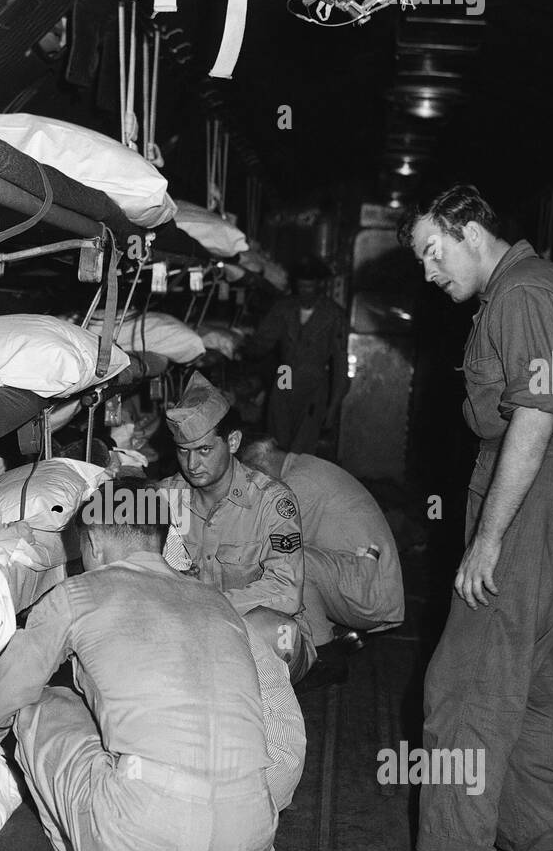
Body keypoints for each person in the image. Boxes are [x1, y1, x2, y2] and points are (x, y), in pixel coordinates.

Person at [369, 184, 553, 851]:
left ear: (469, 227)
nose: (430, 274)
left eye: (432, 253)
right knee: (530, 690)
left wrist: (492, 539)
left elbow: (534, 416)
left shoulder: (522, 295)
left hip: (528, 505)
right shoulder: (547, 288)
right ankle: (545, 848)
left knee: (463, 689)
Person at [0, 478, 280, 851]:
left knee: (41, 703)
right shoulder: (218, 604)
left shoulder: (76, 595)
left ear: (91, 544)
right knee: (172, 743)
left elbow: (1, 699)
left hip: (137, 836)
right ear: (160, 539)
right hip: (248, 848)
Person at [158, 371, 317, 682]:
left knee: (277, 632)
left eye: (204, 450)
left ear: (232, 441)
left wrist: (206, 609)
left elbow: (286, 592)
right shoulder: (165, 498)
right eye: (183, 451)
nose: (192, 465)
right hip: (191, 634)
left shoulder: (272, 503)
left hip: (268, 638)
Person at [238, 433, 405, 646]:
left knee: (286, 560)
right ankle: (325, 635)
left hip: (370, 593)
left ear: (260, 467)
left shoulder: (301, 482)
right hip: (366, 581)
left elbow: (267, 545)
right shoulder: (307, 468)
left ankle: (322, 650)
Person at [247, 257, 350, 456]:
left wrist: (333, 407)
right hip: (286, 373)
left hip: (314, 381)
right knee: (278, 433)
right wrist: (245, 347)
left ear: (319, 286)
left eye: (310, 287)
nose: (305, 292)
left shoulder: (334, 315)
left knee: (303, 443)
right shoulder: (284, 308)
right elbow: (263, 340)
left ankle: (296, 482)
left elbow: (340, 364)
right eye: (301, 286)